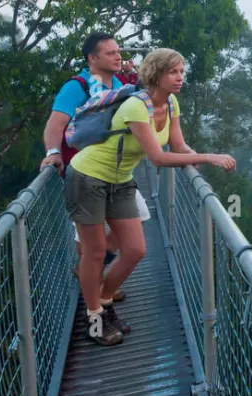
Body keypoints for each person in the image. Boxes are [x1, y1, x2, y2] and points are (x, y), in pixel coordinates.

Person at [64, 47, 236, 346]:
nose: (180, 77)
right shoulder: (136, 107)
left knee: (134, 250)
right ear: (156, 74)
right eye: (173, 72)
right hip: (88, 177)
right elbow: (157, 158)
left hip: (120, 179)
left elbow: (178, 145)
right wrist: (209, 157)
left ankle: (104, 302)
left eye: (182, 71)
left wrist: (199, 161)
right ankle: (93, 318)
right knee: (94, 251)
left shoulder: (171, 104)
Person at [40, 32, 146, 302]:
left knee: (135, 222)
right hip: (85, 172)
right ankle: (95, 289)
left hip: (117, 170)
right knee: (92, 241)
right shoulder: (77, 86)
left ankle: (90, 271)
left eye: (117, 51)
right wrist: (53, 152)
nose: (118, 56)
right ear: (92, 58)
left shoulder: (118, 81)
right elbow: (55, 123)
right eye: (110, 53)